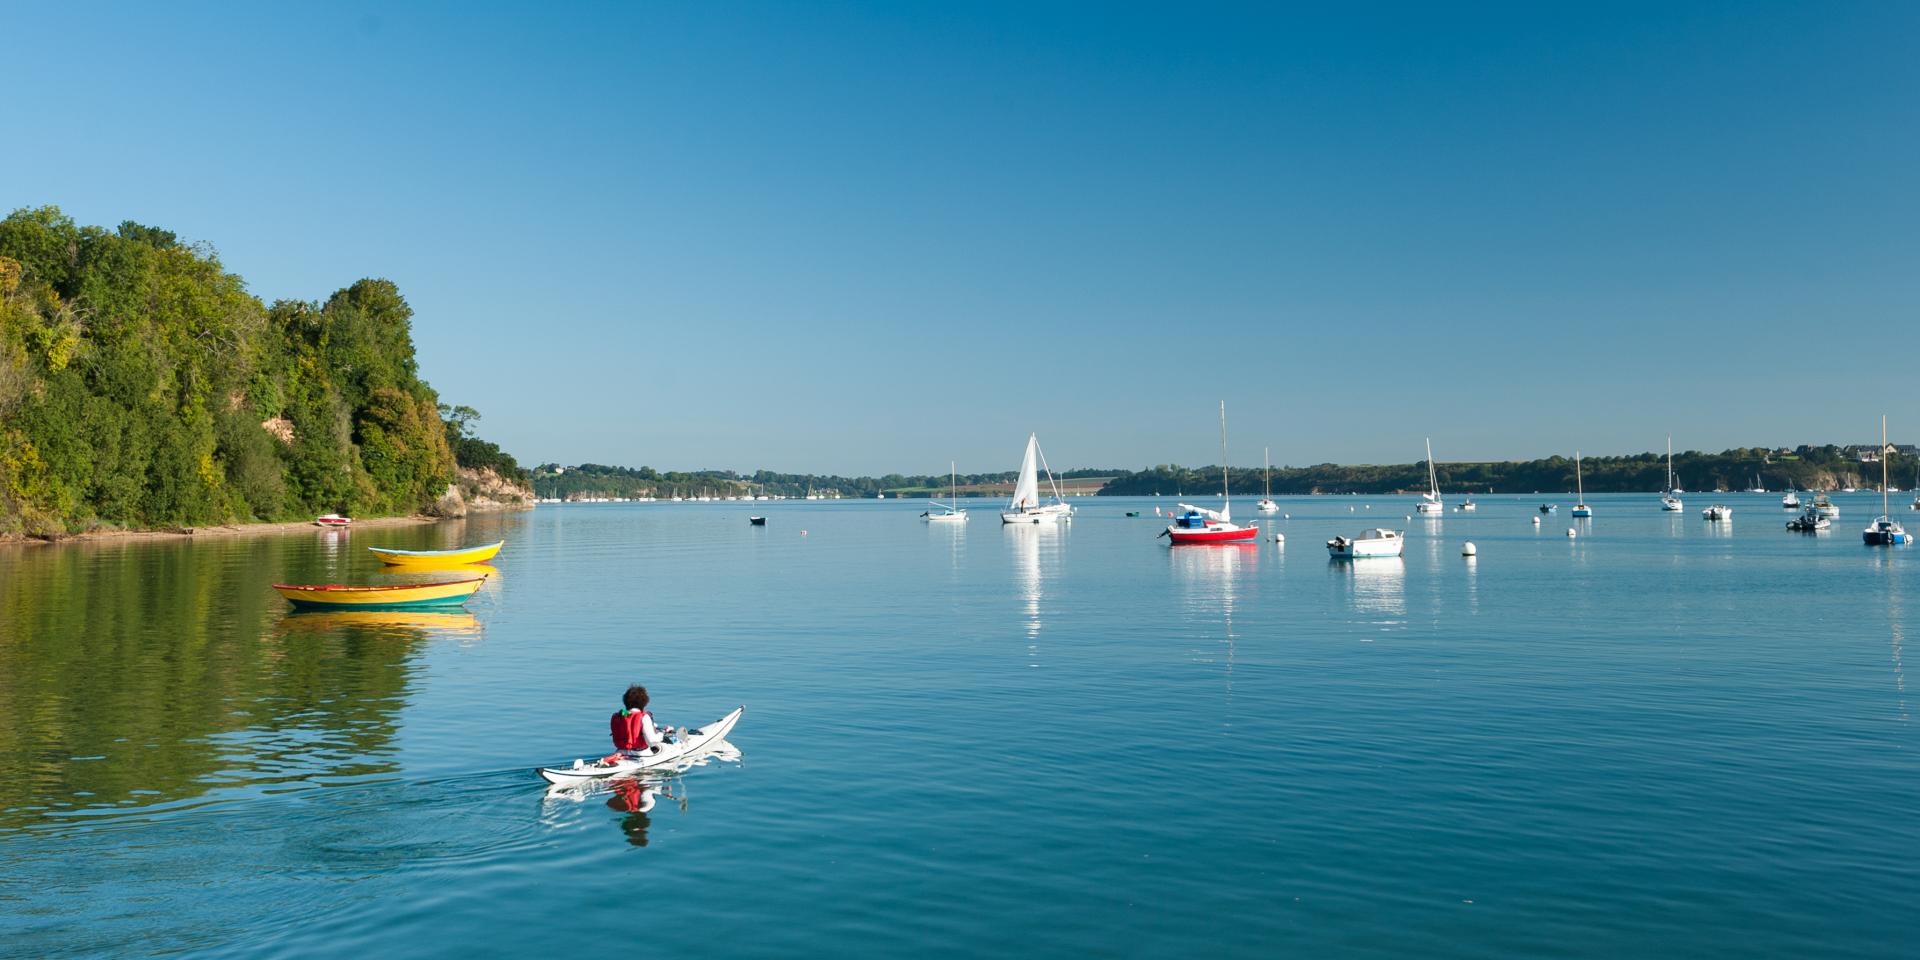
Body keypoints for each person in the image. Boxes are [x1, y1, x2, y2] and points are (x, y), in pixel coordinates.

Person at [607, 684, 675, 762]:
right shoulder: (644, 717)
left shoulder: (619, 716)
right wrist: (662, 734)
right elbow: (652, 741)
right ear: (644, 702)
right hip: (642, 755)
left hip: (621, 752)